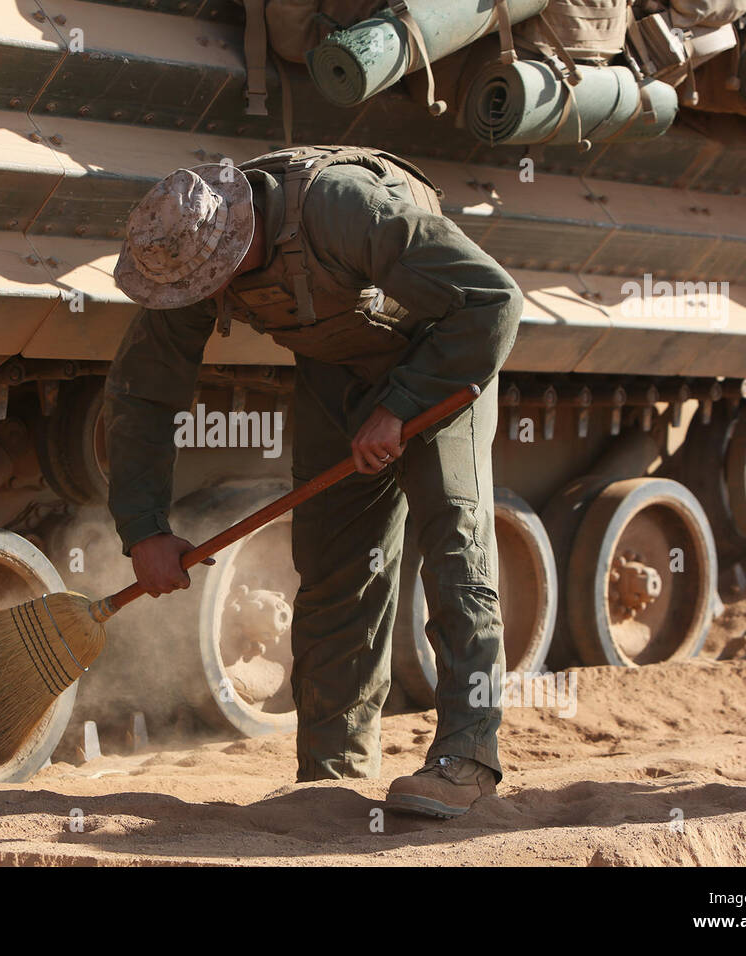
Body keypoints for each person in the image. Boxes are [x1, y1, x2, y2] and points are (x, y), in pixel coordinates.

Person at [103, 145, 521, 817]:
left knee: (453, 551)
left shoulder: (344, 208)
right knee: (334, 567)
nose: (200, 298)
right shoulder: (191, 255)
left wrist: (401, 407)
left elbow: (492, 298)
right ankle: (334, 772)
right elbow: (142, 394)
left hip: (442, 363)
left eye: (210, 281)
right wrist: (144, 527)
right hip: (338, 374)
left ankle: (467, 759)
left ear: (241, 239)